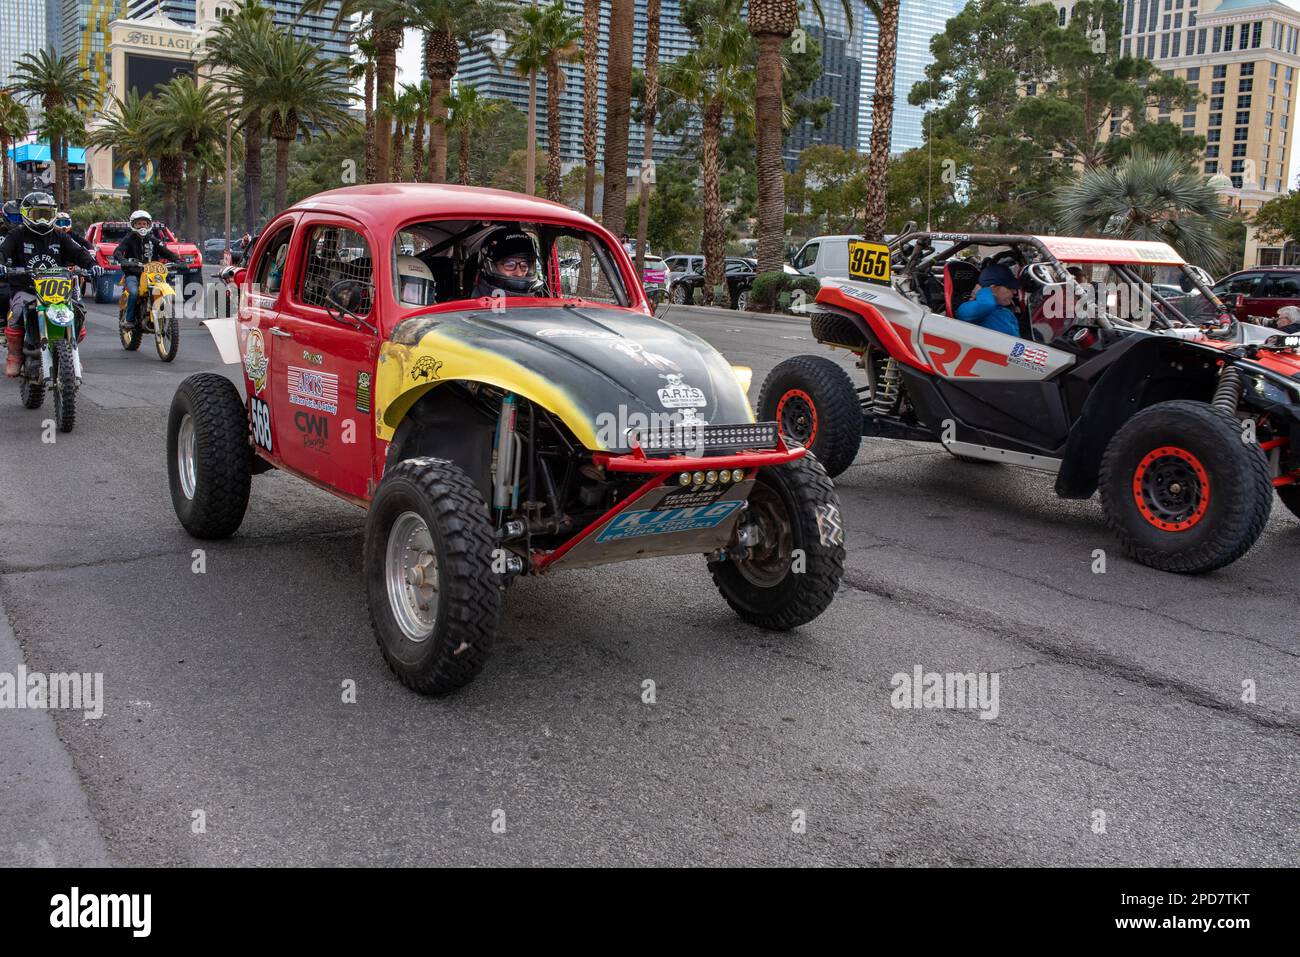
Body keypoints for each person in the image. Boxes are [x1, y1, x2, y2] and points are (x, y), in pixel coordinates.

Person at [2, 192, 99, 378]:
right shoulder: (17, 234)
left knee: (78, 311)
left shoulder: (59, 236)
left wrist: (92, 265)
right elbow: (3, 251)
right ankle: (14, 356)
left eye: (47, 214)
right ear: (26, 214)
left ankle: (71, 351)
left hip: (58, 289)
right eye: (38, 214)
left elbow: (79, 252)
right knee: (17, 312)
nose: (43, 219)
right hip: (26, 289)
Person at [113, 209, 180, 331]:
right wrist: (123, 260)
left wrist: (178, 260)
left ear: (149, 225)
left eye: (144, 224)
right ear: (133, 225)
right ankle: (129, 320)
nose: (142, 226)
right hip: (133, 273)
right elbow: (117, 252)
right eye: (139, 224)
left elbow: (165, 252)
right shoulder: (128, 239)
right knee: (134, 292)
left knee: (163, 286)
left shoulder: (153, 240)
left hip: (152, 274)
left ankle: (161, 313)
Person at [471, 226, 544, 299]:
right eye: (510, 265)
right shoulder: (474, 304)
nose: (519, 273)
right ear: (490, 266)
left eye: (524, 265)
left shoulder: (539, 297)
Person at [956, 262, 1022, 337]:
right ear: (993, 288)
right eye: (1010, 288)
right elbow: (986, 305)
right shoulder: (968, 309)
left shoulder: (1006, 311)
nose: (1015, 291)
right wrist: (984, 290)